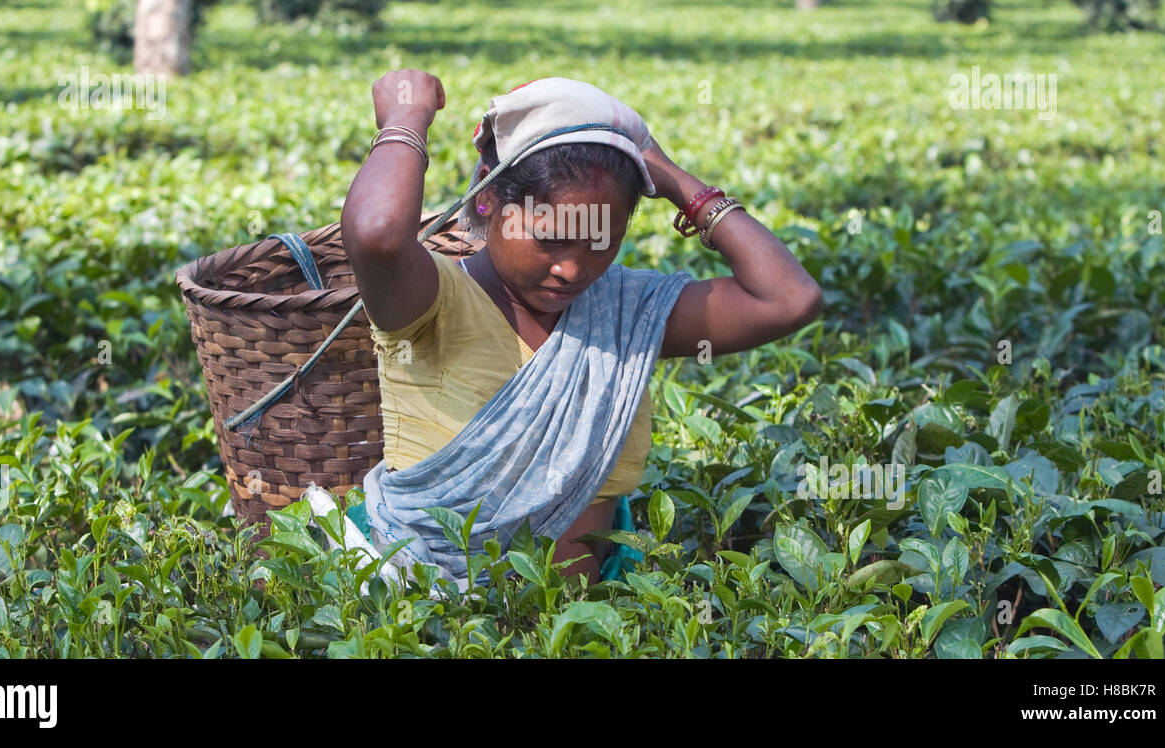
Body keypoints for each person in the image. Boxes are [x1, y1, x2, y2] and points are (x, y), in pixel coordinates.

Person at [341, 69, 824, 588]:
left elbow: (790, 298)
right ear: (488, 199)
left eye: (601, 242)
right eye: (549, 239)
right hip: (433, 618)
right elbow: (377, 234)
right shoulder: (429, 304)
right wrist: (406, 118)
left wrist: (682, 184)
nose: (572, 270)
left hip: (584, 623)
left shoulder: (626, 312)